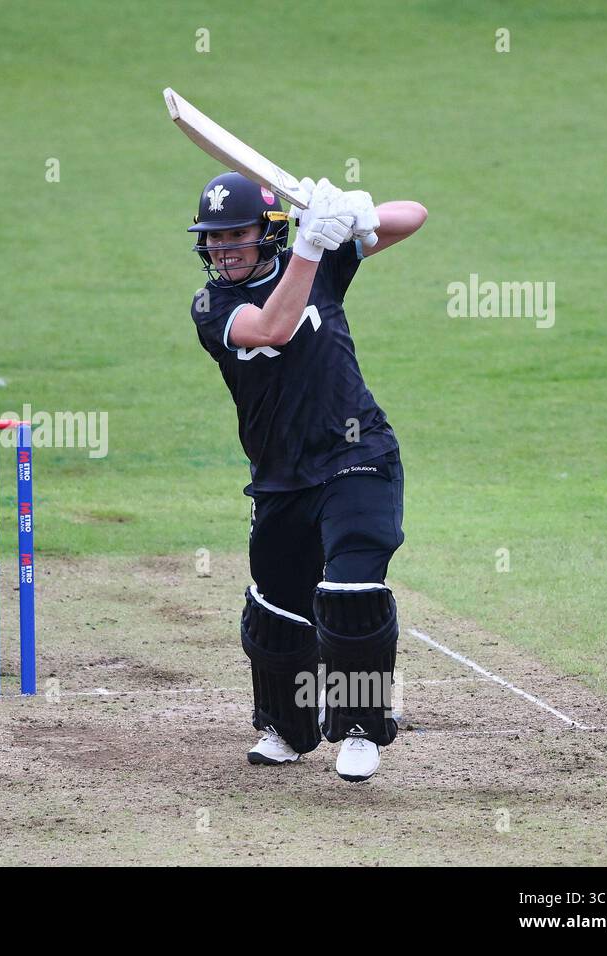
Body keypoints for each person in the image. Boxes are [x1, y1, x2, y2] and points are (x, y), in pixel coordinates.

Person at [186, 172, 427, 781]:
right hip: (279, 480)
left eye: (236, 234)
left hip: (358, 458)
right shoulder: (211, 306)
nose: (223, 249)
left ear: (269, 231)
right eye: (213, 238)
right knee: (275, 619)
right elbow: (273, 327)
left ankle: (359, 728)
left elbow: (415, 214)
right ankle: (289, 729)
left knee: (351, 595)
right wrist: (311, 248)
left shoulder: (319, 262)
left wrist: (356, 212)